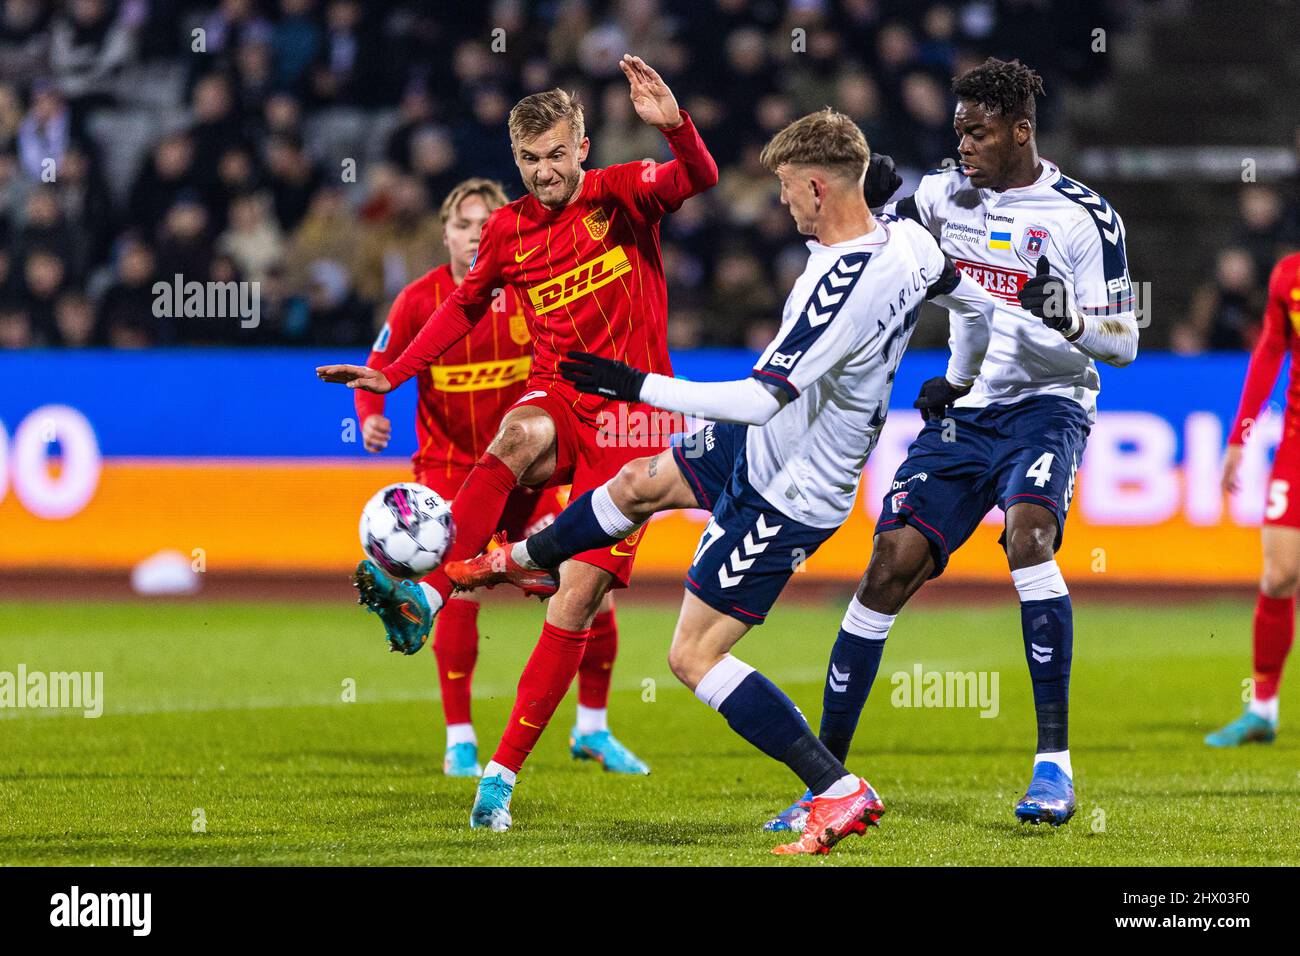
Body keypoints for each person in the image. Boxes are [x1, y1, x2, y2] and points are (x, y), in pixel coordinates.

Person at [448, 108, 997, 852]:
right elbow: (968, 298)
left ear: (815, 186)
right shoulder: (907, 242)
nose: (779, 202)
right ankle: (514, 560)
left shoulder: (837, 285)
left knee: (692, 656)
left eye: (784, 189)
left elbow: (758, 396)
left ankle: (837, 790)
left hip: (791, 489)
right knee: (641, 480)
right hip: (760, 446)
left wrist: (633, 384)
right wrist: (955, 378)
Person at [317, 56, 717, 809]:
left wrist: (674, 123)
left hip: (635, 420)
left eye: (556, 155)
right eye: (530, 160)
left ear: (582, 148)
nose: (544, 172)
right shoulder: (508, 232)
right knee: (512, 442)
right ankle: (429, 598)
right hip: (562, 394)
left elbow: (697, 177)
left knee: (574, 601)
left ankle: (499, 777)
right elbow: (463, 307)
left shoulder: (622, 193)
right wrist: (392, 375)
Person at [767, 58, 1139, 833]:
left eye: (978, 131)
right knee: (885, 566)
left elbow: (1128, 338)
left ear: (1021, 130)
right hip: (968, 413)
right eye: (958, 130)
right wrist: (870, 200)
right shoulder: (941, 195)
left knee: (1029, 539)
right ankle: (825, 784)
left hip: (1049, 406)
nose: (963, 144)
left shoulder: (1087, 217)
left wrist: (1071, 319)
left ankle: (1053, 769)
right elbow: (904, 257)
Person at [354, 176, 644, 777]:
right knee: (456, 594)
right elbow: (378, 367)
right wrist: (372, 418)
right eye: (462, 225)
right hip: (451, 471)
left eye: (483, 225)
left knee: (587, 589)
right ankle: (460, 738)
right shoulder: (417, 300)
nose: (471, 236)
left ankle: (592, 728)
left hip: (529, 472)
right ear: (444, 234)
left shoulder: (529, 290)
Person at [1211, 251, 1300, 746]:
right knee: (1280, 574)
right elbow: (1269, 351)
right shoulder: (1287, 274)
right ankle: (1263, 708)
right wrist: (1240, 437)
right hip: (1296, 444)